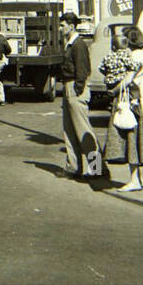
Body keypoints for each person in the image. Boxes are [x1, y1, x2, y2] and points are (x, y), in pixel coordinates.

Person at [100, 25, 143, 192]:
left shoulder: (134, 57)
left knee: (130, 139)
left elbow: (128, 79)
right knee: (133, 139)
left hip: (127, 100)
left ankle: (134, 179)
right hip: (134, 100)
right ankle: (139, 178)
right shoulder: (139, 55)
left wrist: (112, 91)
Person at [58, 11, 99, 178]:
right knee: (69, 130)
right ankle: (73, 166)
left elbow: (82, 69)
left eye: (63, 25)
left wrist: (78, 88)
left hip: (75, 87)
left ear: (71, 26)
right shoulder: (69, 43)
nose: (60, 28)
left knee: (83, 129)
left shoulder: (78, 45)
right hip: (68, 86)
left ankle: (96, 169)